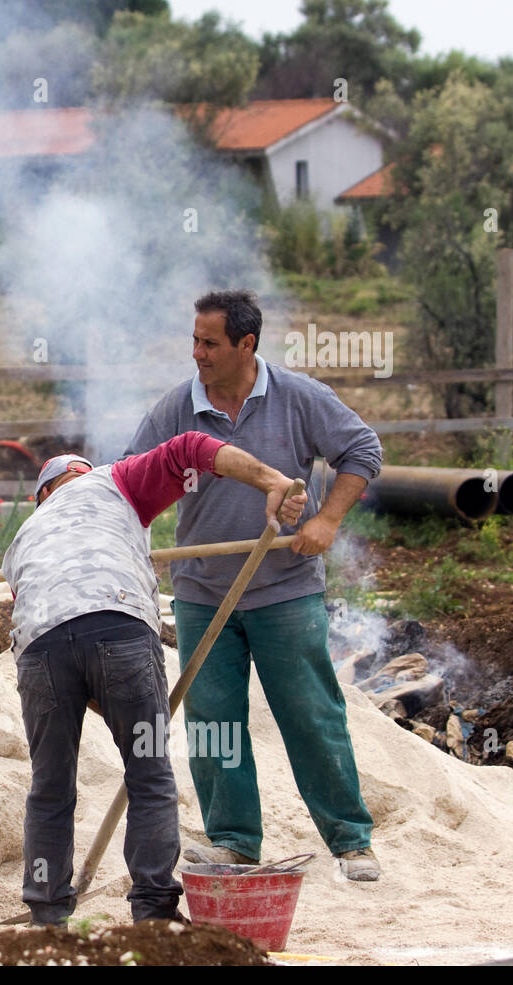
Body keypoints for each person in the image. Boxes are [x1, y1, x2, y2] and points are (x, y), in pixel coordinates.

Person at [124, 288, 383, 881]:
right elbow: (133, 477)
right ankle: (234, 840)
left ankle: (350, 840)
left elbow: (362, 449)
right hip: (201, 589)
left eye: (209, 342)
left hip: (285, 589)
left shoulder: (297, 397)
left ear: (247, 344)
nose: (197, 353)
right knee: (215, 721)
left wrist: (326, 519)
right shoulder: (175, 410)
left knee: (311, 712)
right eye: (193, 339)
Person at [2, 433, 306, 926]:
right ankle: (154, 910)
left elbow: (52, 630)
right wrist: (271, 480)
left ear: (42, 496)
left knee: (50, 788)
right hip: (118, 629)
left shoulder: (21, 542)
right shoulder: (113, 481)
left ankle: (46, 911)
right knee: (149, 777)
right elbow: (190, 448)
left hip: (41, 650)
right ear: (84, 474)